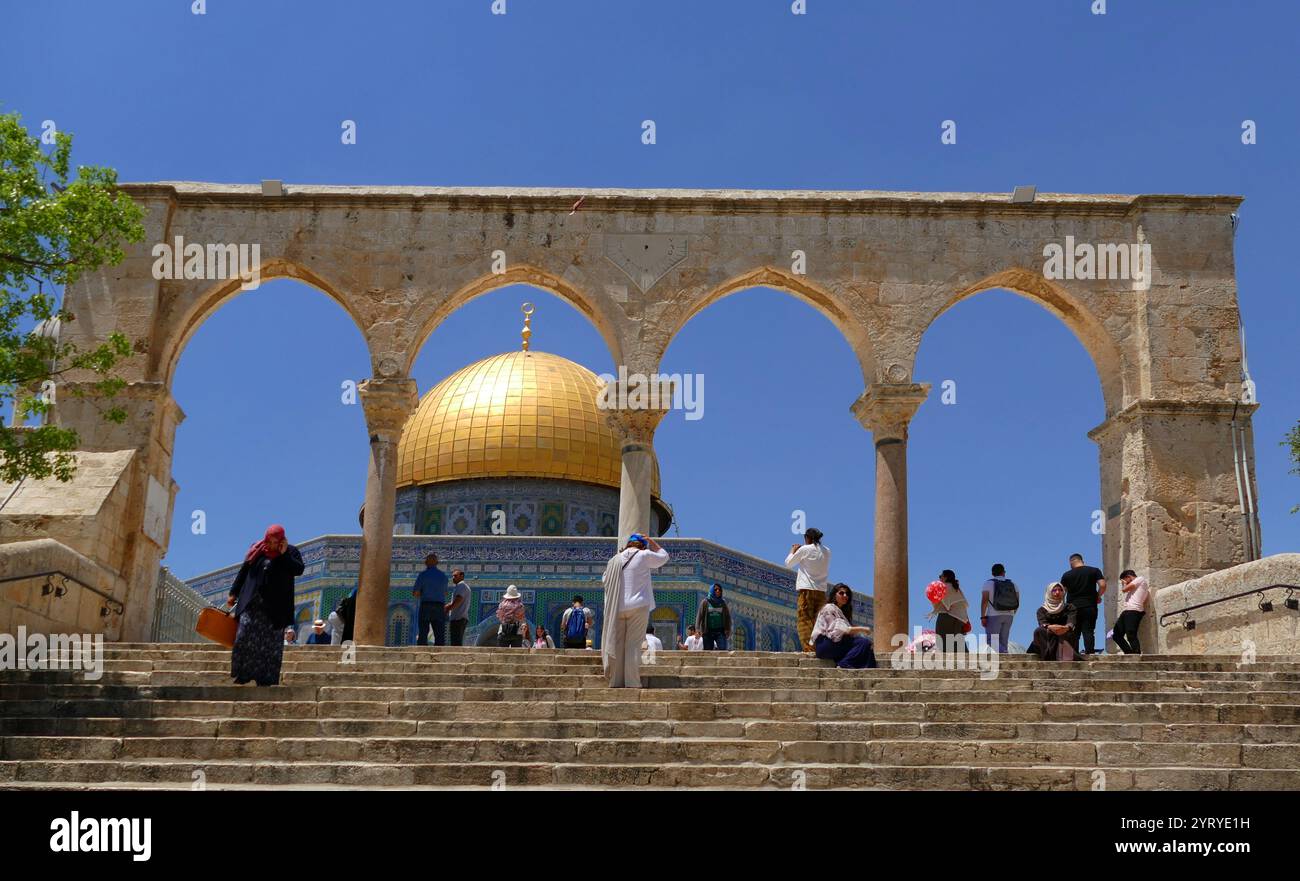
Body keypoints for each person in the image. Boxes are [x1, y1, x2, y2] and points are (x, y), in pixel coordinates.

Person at [226, 524, 305, 687]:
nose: (271, 544)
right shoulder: (257, 549)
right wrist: (233, 592)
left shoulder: (291, 552)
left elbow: (298, 569)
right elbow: (244, 571)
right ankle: (243, 674)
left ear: (282, 540)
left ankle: (265, 678)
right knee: (244, 637)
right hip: (252, 603)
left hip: (275, 608)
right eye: (270, 540)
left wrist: (283, 555)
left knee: (269, 644)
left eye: (275, 541)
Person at [600, 533, 670, 688]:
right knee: (633, 645)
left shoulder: (614, 560)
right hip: (638, 606)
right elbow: (664, 556)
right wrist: (652, 542)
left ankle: (615, 681)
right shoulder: (644, 555)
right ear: (642, 545)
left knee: (618, 644)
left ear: (628, 544)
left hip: (617, 608)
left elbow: (604, 580)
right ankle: (632, 682)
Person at [785, 528, 831, 652]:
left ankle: (810, 649)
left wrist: (793, 551)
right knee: (819, 621)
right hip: (821, 591)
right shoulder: (827, 551)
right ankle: (821, 647)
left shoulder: (805, 549)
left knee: (805, 620)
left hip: (807, 590)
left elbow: (788, 563)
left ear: (807, 538)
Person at [810, 584, 877, 669]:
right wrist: (862, 629)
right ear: (835, 595)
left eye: (847, 594)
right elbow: (839, 630)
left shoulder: (840, 612)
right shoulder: (829, 608)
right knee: (864, 643)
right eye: (841, 593)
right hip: (826, 645)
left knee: (865, 646)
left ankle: (865, 667)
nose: (845, 596)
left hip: (834, 645)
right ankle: (844, 663)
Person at [1060, 553, 1107, 655]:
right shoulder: (1094, 570)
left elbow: (1062, 593)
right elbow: (1103, 585)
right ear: (1082, 560)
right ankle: (1090, 654)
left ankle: (1074, 655)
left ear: (1071, 562)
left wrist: (1062, 607)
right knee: (1088, 631)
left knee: (1074, 632)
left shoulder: (1066, 575)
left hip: (1072, 607)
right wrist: (1098, 596)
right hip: (1089, 605)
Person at [1028, 582, 1080, 661]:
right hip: (1048, 634)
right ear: (1049, 592)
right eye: (1054, 590)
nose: (1057, 592)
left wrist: (1064, 628)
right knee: (1039, 631)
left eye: (1060, 590)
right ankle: (1047, 656)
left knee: (1071, 633)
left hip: (1064, 633)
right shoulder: (1042, 610)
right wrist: (1052, 628)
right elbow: (1043, 623)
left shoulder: (1070, 607)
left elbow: (1071, 622)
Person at [979, 563, 1019, 654]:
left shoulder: (988, 583)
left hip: (994, 615)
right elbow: (1017, 602)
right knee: (1003, 641)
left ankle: (1005, 653)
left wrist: (983, 616)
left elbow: (984, 601)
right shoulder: (1013, 584)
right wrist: (1012, 613)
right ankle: (1005, 661)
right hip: (1009, 615)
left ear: (992, 573)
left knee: (991, 640)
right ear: (1004, 572)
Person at [412, 553, 450, 647]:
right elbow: (445, 593)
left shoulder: (423, 575)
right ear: (437, 563)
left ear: (426, 563)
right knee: (439, 632)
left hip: (426, 605)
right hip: (439, 606)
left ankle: (421, 652)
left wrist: (424, 592)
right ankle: (439, 655)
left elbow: (416, 593)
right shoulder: (443, 576)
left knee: (424, 630)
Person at [929, 569, 969, 654]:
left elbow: (945, 605)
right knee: (958, 639)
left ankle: (945, 661)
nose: (939, 578)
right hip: (960, 618)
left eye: (940, 576)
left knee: (942, 639)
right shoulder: (956, 588)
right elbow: (961, 605)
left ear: (945, 577)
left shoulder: (943, 587)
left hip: (947, 617)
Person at [1111, 569, 1149, 654]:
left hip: (1134, 610)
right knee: (1116, 634)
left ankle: (1136, 653)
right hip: (1128, 611)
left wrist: (1124, 583)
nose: (1125, 582)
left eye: (1125, 580)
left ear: (1128, 577)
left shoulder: (1140, 579)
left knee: (1131, 634)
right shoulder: (1136, 586)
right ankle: (1129, 653)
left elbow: (1124, 590)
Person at [695, 583, 732, 651]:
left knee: (722, 649)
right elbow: (699, 616)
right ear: (712, 590)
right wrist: (697, 629)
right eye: (715, 590)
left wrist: (728, 629)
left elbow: (727, 617)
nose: (718, 591)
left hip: (720, 631)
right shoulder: (705, 602)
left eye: (719, 590)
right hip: (707, 631)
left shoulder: (722, 603)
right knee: (708, 651)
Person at [445, 570, 471, 646]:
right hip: (460, 618)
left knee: (456, 643)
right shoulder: (462, 586)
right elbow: (456, 601)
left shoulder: (461, 585)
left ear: (462, 576)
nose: (453, 578)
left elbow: (458, 600)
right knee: (457, 641)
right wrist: (448, 606)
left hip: (458, 618)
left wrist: (448, 608)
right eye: (452, 576)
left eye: (455, 576)